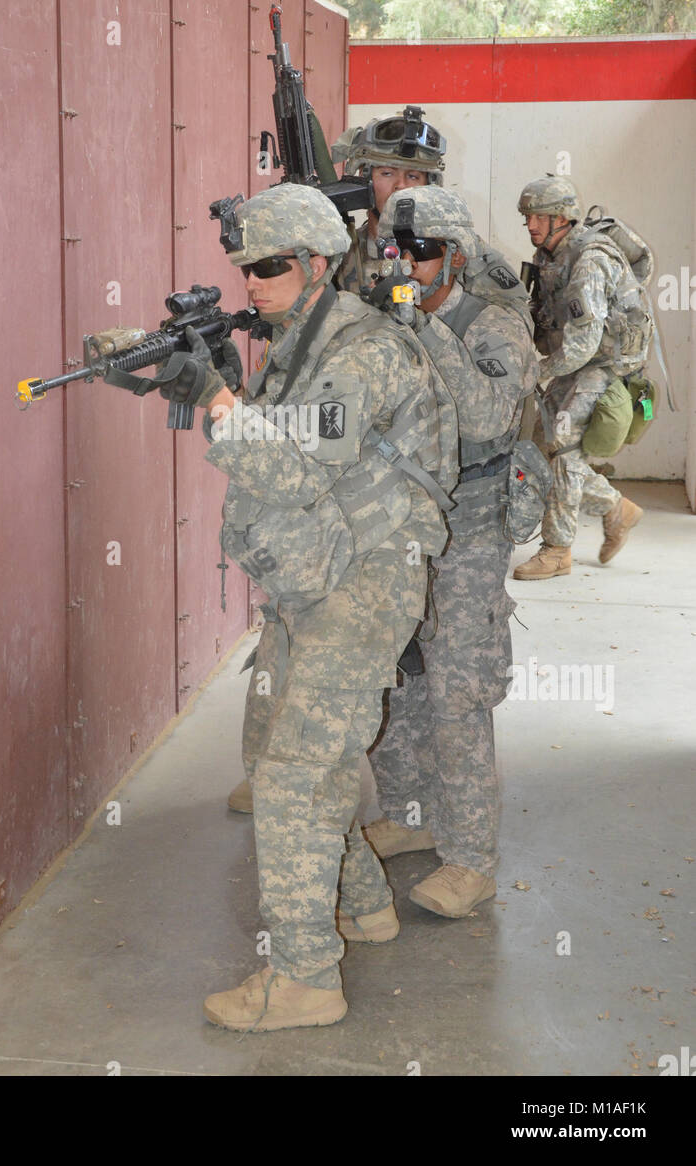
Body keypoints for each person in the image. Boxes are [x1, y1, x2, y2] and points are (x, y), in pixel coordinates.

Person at [151, 183, 454, 1030]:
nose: (254, 281)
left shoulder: (362, 353)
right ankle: (362, 905)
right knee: (280, 746)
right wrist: (179, 384)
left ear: (318, 265)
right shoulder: (298, 339)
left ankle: (304, 978)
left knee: (292, 778)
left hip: (366, 583)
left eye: (273, 265)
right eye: (247, 265)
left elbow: (291, 467)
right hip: (316, 576)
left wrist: (213, 400)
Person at [355, 187, 538, 916]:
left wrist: (421, 328)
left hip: (468, 524)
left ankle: (469, 858)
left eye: (421, 252)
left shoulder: (492, 324)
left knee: (457, 689)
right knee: (398, 676)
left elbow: (488, 414)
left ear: (455, 257)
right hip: (397, 518)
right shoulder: (384, 316)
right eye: (395, 251)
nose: (405, 264)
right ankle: (408, 817)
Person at [512, 175, 644, 581]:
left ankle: (557, 551)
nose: (531, 225)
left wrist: (536, 372)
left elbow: (584, 344)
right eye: (528, 217)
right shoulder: (550, 255)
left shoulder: (590, 260)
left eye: (540, 216)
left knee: (561, 442)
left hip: (605, 363)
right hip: (576, 361)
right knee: (542, 447)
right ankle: (614, 507)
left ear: (563, 218)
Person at [332, 105, 447, 291]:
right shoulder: (338, 254)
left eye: (413, 176)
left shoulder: (450, 253)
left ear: (429, 186)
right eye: (387, 173)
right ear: (365, 179)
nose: (400, 185)